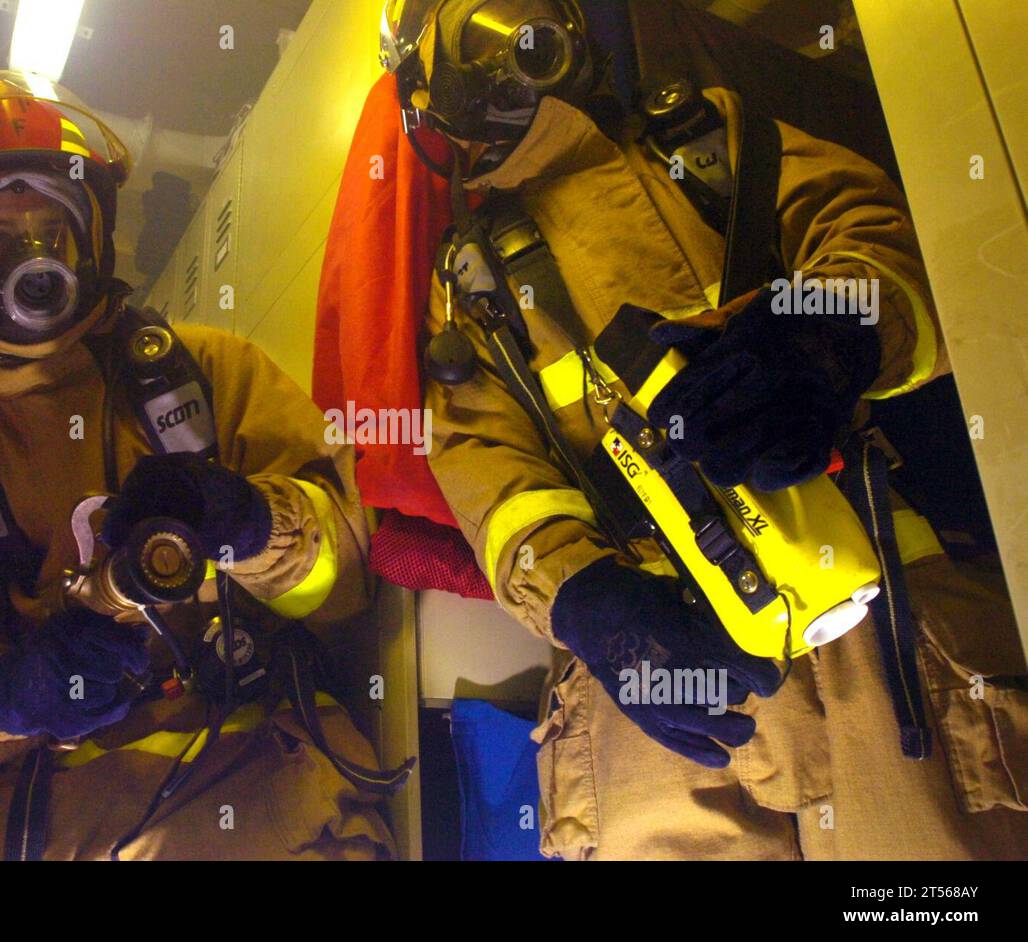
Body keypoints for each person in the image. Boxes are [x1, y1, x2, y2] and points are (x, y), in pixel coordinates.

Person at [380, 0, 1028, 858]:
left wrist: (827, 340)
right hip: (665, 658)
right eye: (478, 23)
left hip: (882, 616)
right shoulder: (470, 280)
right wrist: (589, 603)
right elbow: (488, 472)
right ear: (425, 89)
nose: (516, 36)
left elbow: (877, 241)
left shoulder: (708, 137)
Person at [0, 70, 400, 860]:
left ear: (89, 238)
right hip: (20, 806)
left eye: (49, 232)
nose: (32, 263)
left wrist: (255, 524)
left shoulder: (205, 372)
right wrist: (10, 697)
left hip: (243, 775)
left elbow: (349, 580)